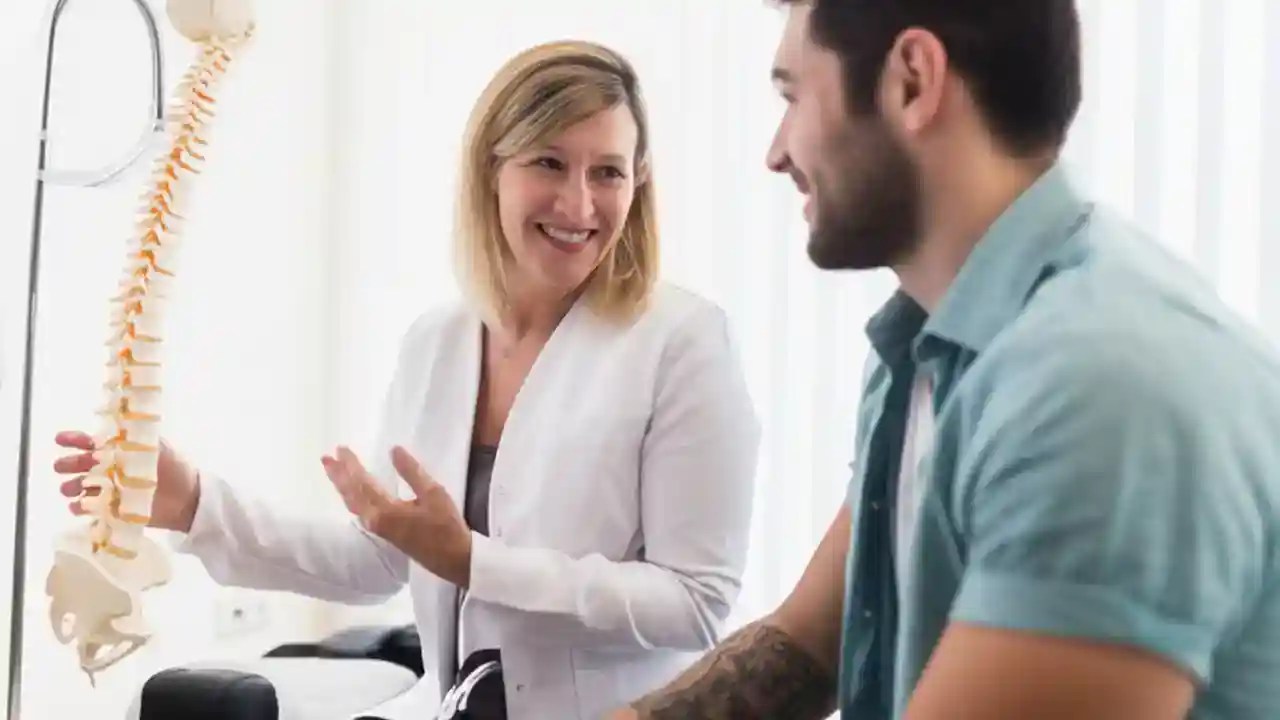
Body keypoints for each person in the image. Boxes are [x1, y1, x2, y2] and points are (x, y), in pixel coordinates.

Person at [55, 40, 761, 720]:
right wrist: (198, 506)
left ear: (639, 181)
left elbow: (694, 601)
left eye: (607, 172)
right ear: (492, 170)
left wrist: (474, 561)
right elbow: (380, 560)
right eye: (550, 163)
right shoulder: (437, 342)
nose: (579, 206)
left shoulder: (683, 341)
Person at [612, 1, 1280, 718]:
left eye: (793, 96)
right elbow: (804, 648)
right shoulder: (925, 346)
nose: (776, 153)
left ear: (912, 81)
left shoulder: (1097, 387)